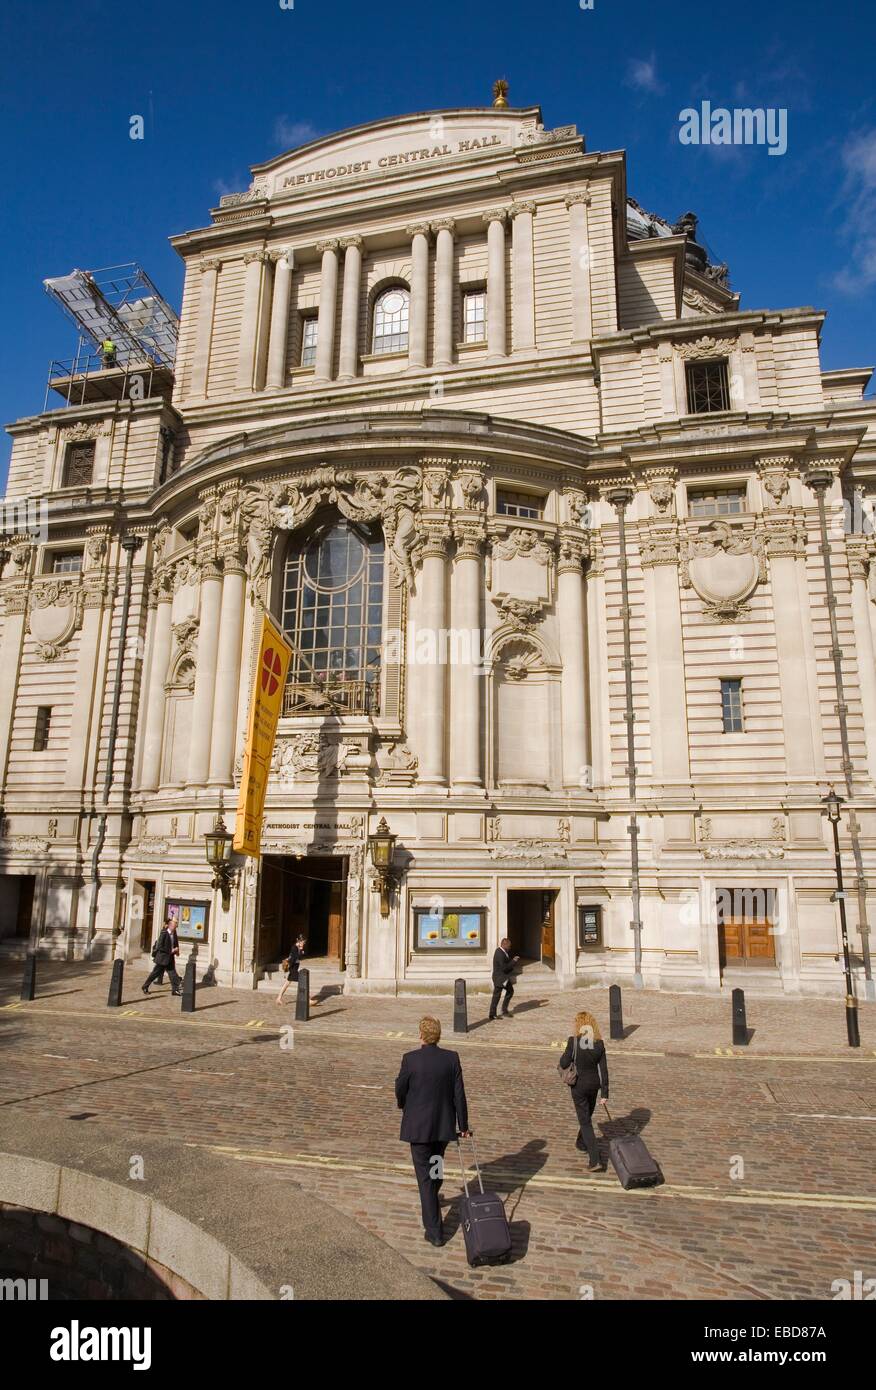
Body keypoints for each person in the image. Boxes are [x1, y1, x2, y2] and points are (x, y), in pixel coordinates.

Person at [395, 1016, 470, 1248]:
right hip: (442, 1126)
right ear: (438, 1035)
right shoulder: (451, 1058)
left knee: (425, 1179)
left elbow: (400, 1088)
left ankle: (435, 1231)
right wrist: (463, 1125)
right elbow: (459, 1095)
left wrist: (402, 1104)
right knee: (436, 1167)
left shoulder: (411, 1060)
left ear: (421, 1035)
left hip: (418, 1127)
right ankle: (433, 1199)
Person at [559, 1009, 609, 1172]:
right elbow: (604, 1070)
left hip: (579, 1086)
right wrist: (605, 1094)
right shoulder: (599, 1044)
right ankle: (581, 1142)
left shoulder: (573, 1042)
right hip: (594, 1085)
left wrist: (567, 1053)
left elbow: (565, 1062)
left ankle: (595, 1159)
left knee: (585, 1122)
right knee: (587, 1115)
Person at [142, 918, 182, 996]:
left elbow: (176, 943)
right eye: (174, 926)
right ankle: (145, 986)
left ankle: (175, 990)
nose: (175, 927)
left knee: (172, 973)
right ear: (170, 926)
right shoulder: (164, 933)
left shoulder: (174, 933)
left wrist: (177, 951)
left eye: (176, 926)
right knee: (154, 974)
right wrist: (171, 950)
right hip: (162, 958)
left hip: (170, 958)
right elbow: (160, 946)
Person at [489, 937, 519, 1019]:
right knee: (497, 995)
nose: (510, 948)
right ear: (504, 945)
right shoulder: (499, 953)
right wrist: (514, 961)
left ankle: (504, 1010)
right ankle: (492, 1014)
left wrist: (512, 961)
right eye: (509, 946)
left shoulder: (503, 951)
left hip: (503, 978)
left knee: (510, 991)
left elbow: (506, 964)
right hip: (500, 978)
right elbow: (504, 968)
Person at [276, 934, 306, 1005]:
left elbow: (299, 957)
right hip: (293, 968)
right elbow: (297, 957)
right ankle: (309, 1000)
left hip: (294, 967)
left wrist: (301, 951)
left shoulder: (297, 947)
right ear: (299, 941)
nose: (304, 943)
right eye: (303, 942)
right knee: (303, 981)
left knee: (287, 983)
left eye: (304, 942)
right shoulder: (294, 948)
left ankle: (278, 998)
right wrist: (301, 950)